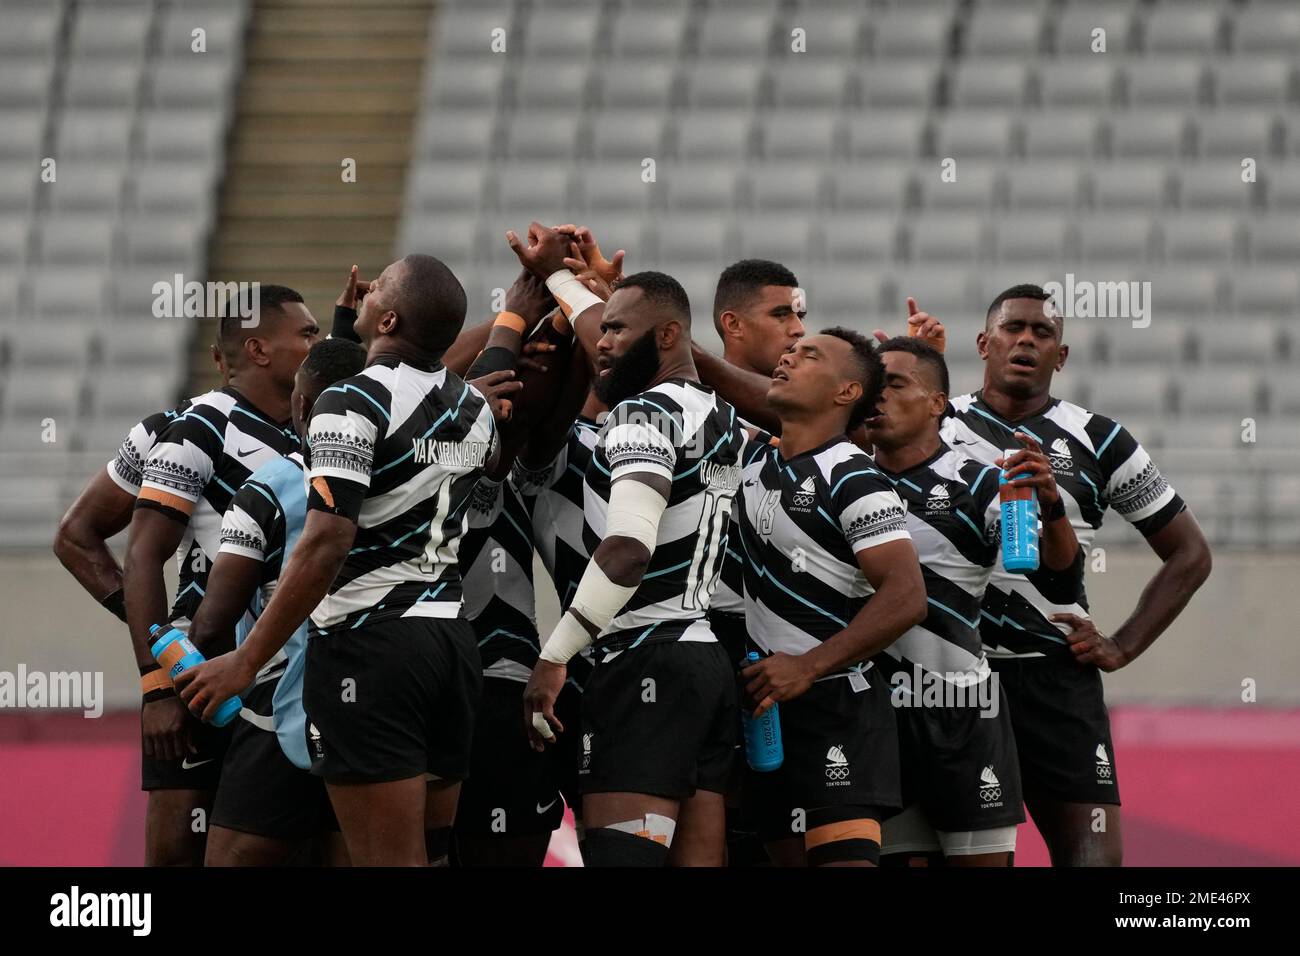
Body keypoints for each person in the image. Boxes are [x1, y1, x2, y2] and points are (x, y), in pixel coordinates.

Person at [177, 255, 497, 866]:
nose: (367, 290)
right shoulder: (473, 407)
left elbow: (326, 542)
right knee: (431, 857)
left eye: (378, 288)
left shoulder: (348, 400)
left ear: (391, 316)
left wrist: (246, 662)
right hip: (451, 643)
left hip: (369, 644)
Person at [899, 284, 1212, 866]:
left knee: (1094, 857)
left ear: (1060, 357)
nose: (1026, 340)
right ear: (984, 343)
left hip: (1053, 675)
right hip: (946, 677)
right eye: (1013, 328)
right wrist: (913, 363)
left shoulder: (1101, 439)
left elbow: (1191, 553)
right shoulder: (932, 421)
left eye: (1043, 333)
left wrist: (1122, 645)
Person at [520, 268, 745, 867]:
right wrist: (561, 277)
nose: (603, 341)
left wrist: (555, 655)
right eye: (603, 327)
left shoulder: (644, 415)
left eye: (619, 328)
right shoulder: (727, 419)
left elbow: (627, 549)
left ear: (669, 334)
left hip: (646, 654)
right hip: (703, 659)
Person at [123, 285, 318, 865]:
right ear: (258, 350)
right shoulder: (201, 427)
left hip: (267, 673)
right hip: (197, 674)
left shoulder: (306, 429)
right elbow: (140, 557)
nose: (319, 343)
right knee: (180, 852)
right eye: (306, 335)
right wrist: (157, 681)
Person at [864, 337, 1076, 865]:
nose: (878, 398)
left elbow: (1057, 579)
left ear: (938, 403)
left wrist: (1050, 508)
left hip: (962, 712)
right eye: (873, 386)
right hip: (875, 715)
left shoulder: (981, 481)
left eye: (895, 385)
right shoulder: (843, 478)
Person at [735, 328, 926, 867]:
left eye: (809, 355)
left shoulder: (855, 476)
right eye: (790, 350)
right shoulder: (752, 458)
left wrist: (809, 666)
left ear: (846, 392)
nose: (788, 355)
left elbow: (908, 596)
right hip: (766, 704)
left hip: (838, 703)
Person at [187, 338, 367, 865]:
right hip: (378, 697)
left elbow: (215, 619)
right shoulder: (401, 474)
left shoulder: (266, 487)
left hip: (279, 703)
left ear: (301, 405)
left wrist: (191, 666)